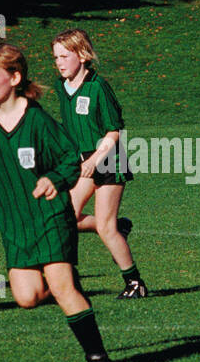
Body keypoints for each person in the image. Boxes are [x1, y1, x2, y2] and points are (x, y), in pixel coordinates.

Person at [0, 41, 115, 362]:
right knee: (26, 296)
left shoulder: (37, 120)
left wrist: (54, 179)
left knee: (62, 286)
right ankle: (70, 290)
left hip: (51, 216)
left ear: (14, 78)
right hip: (14, 224)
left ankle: (98, 359)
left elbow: (72, 160)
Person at [51, 29, 147, 298]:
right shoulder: (61, 86)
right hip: (82, 163)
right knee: (64, 216)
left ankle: (135, 284)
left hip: (108, 161)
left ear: (82, 55)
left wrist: (95, 158)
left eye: (64, 56)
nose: (59, 62)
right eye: (56, 57)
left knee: (106, 226)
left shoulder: (98, 87)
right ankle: (119, 229)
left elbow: (114, 131)